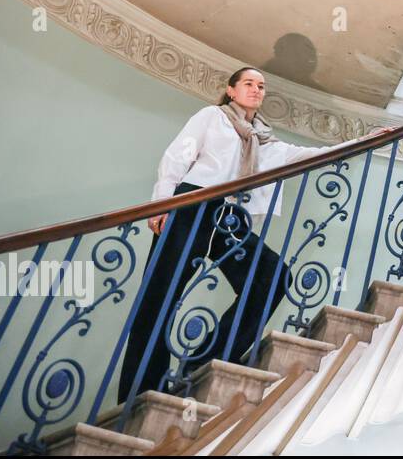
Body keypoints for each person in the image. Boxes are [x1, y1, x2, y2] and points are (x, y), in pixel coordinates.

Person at [118, 67, 386, 401]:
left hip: (231, 218)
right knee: (159, 296)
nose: (257, 89)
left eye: (261, 86)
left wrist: (366, 142)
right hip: (191, 205)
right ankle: (141, 392)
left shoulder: (267, 143)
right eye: (248, 83)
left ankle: (204, 362)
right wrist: (161, 202)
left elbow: (317, 156)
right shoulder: (211, 117)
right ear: (231, 90)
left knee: (272, 278)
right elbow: (177, 157)